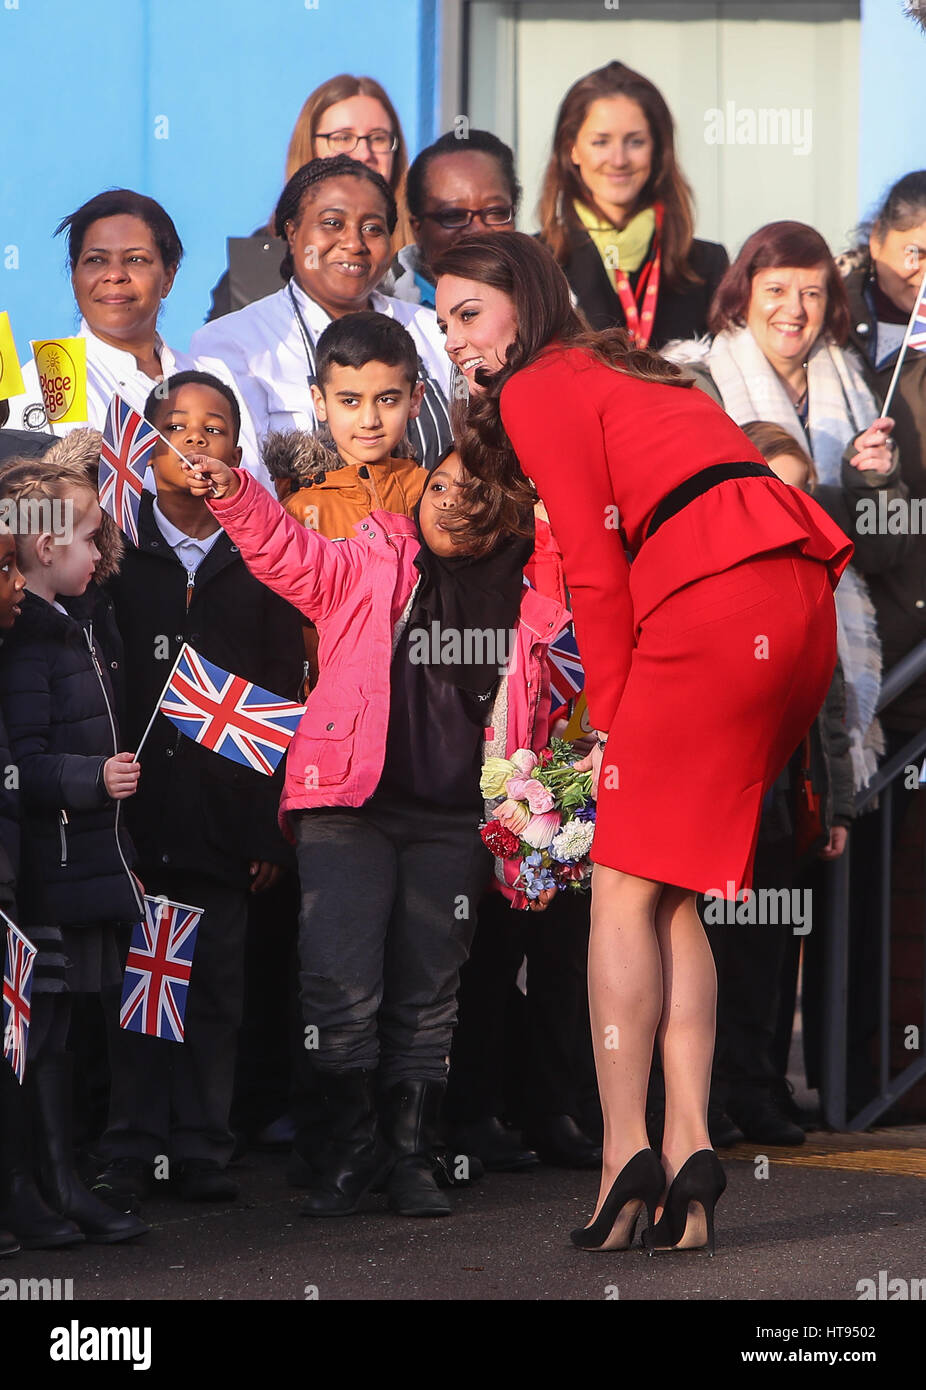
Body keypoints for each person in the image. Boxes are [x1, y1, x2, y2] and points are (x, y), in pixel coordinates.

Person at [433, 230, 852, 1253]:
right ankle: (689, 1145)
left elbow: (593, 561)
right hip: (791, 596)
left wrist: (611, 718)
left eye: (466, 315)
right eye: (443, 320)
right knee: (665, 889)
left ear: (520, 305)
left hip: (707, 600)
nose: (453, 340)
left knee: (618, 884)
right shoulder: (626, 367)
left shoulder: (538, 384)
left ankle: (624, 1148)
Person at [183, 445, 567, 1220]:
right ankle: (350, 1151)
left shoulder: (534, 597)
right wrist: (235, 492)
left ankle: (410, 1156)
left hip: (457, 821)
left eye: (476, 493)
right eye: (445, 483)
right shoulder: (369, 558)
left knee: (429, 997)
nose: (453, 500)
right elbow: (288, 553)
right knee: (337, 986)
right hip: (346, 809)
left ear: (507, 514)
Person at [90, 372, 304, 1210]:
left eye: (214, 427)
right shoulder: (114, 555)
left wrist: (264, 830)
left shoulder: (261, 555)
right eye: (176, 424)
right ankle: (132, 1145)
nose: (195, 438)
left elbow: (280, 695)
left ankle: (203, 1146)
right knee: (145, 986)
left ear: (236, 450)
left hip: (224, 821)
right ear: (148, 445)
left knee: (216, 988)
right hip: (137, 823)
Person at [665, 220, 906, 792]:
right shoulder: (695, 385)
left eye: (811, 292)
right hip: (733, 662)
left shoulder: (855, 385)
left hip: (826, 655)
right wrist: (831, 499)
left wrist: (874, 487)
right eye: (776, 289)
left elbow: (882, 552)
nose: (792, 309)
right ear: (742, 293)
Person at [0, 448, 148, 1243]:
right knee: (41, 1034)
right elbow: (17, 762)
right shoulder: (27, 641)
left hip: (83, 862)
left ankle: (63, 1184)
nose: (103, 554)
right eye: (91, 540)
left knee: (62, 1034)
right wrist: (91, 777)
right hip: (47, 871)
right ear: (48, 548)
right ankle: (44, 1188)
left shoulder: (80, 625)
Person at [192, 158, 453, 472]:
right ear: (291, 232)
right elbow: (244, 479)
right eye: (333, 223)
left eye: (372, 228)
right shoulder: (232, 344)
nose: (354, 243)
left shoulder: (436, 329)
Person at [0, 190, 269, 490]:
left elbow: (259, 492)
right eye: (96, 260)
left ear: (168, 276)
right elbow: (34, 508)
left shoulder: (214, 374)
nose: (115, 275)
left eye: (136, 259)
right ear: (74, 276)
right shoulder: (51, 374)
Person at [537, 61, 728, 348]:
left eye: (635, 142)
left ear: (658, 149)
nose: (618, 160)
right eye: (600, 142)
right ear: (571, 149)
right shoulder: (538, 263)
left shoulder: (707, 265)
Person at [206, 73, 411, 321]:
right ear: (309, 146)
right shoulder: (257, 268)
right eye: (343, 137)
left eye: (378, 138)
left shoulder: (423, 254)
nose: (364, 152)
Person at [838, 173, 926, 738]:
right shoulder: (823, 316)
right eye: (915, 251)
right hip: (831, 604)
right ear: (877, 240)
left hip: (908, 611)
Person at [387, 129, 521, 309]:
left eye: (494, 212)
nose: (477, 229)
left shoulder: (553, 307)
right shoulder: (381, 307)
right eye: (453, 216)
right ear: (417, 229)